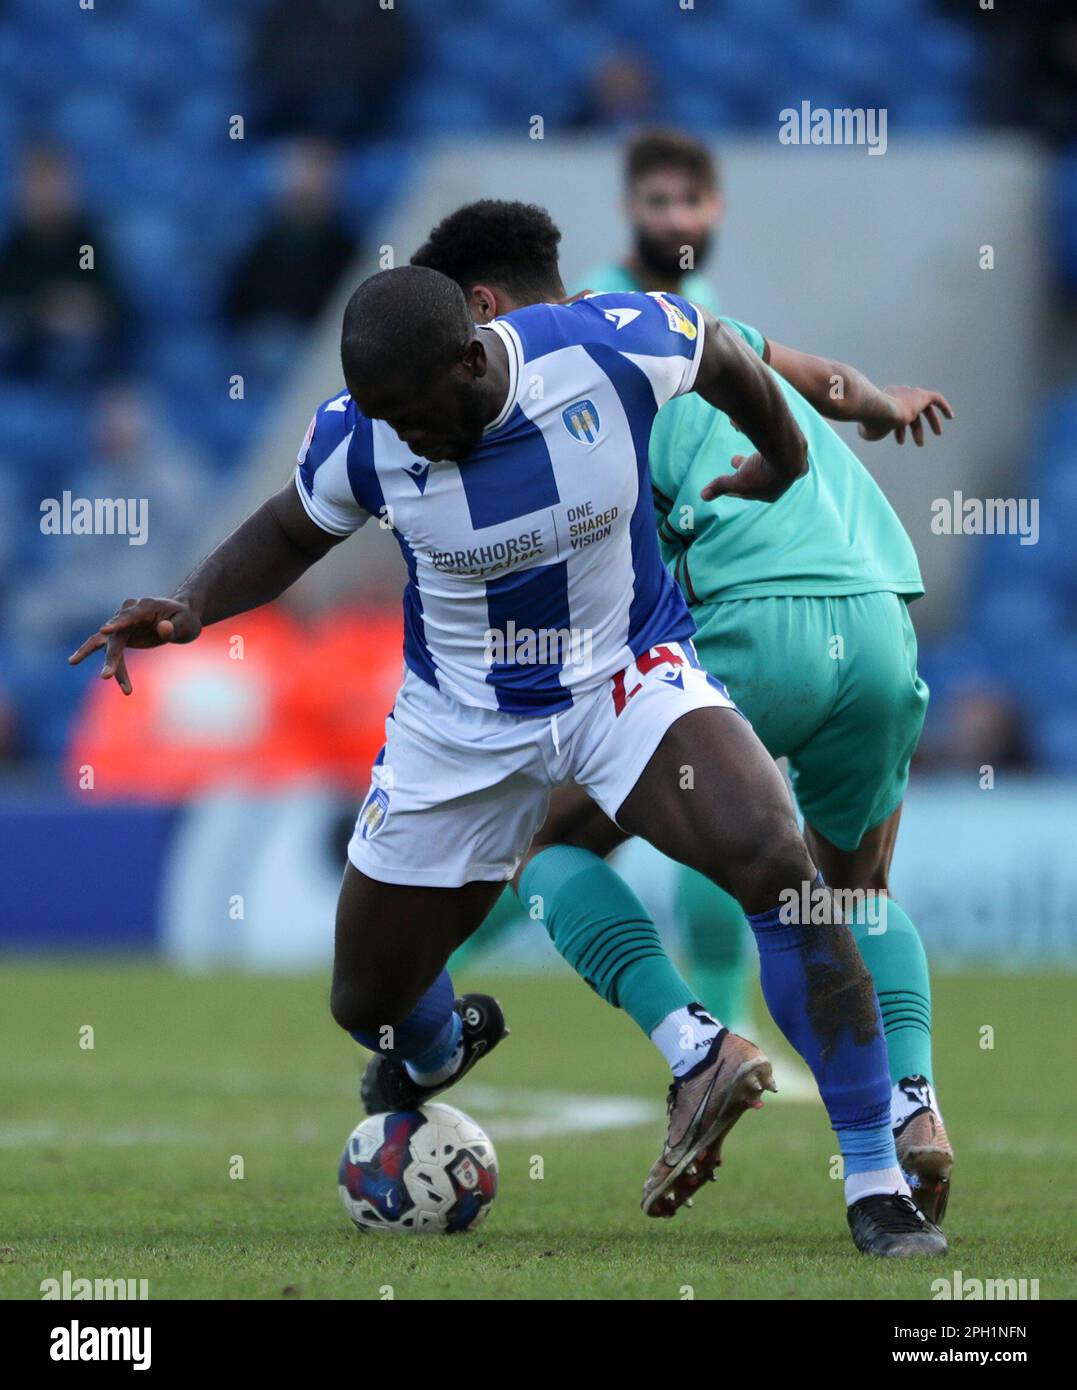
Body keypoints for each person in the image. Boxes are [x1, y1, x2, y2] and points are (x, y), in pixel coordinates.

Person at [70, 262, 944, 1256]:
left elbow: (727, 354)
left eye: (410, 409)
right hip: (459, 726)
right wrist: (188, 608)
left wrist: (783, 458)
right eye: (381, 414)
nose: (401, 432)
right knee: (368, 1001)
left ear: (471, 356)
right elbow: (288, 527)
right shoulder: (362, 434)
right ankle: (442, 1044)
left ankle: (876, 1183)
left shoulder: (605, 347)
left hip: (625, 678)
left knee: (781, 870)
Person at [411, 199, 955, 1226]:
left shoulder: (553, 382)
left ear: (480, 310)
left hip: (755, 626)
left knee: (552, 849)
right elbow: (809, 377)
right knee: (848, 902)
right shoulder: (663, 318)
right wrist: (881, 405)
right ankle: (911, 1100)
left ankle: (695, 1045)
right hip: (882, 616)